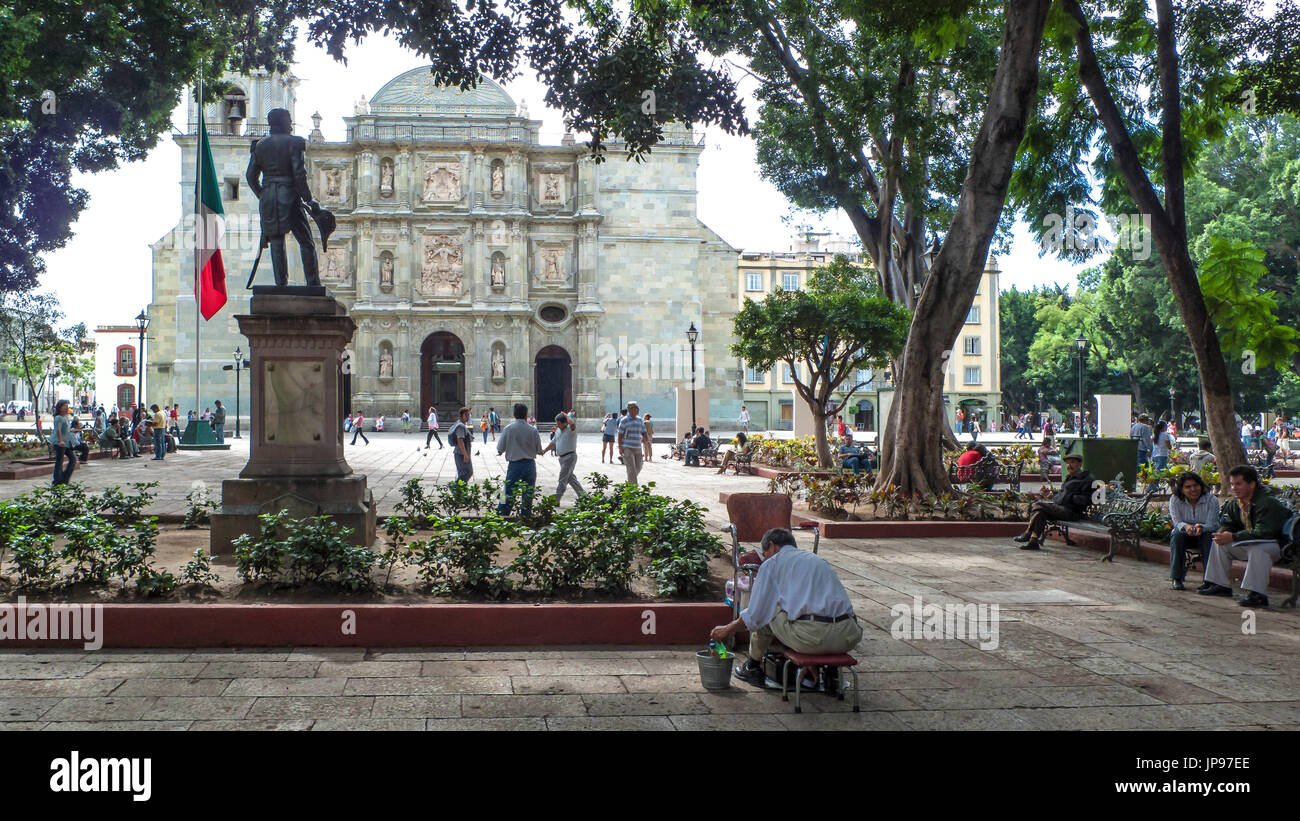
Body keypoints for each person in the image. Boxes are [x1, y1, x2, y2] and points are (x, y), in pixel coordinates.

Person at [710, 527, 863, 690]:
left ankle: (752, 666)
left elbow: (755, 616)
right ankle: (831, 673)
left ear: (772, 546)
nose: (765, 557)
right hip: (848, 636)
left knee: (769, 612)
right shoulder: (818, 561)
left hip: (812, 639)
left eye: (765, 553)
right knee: (808, 613)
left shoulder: (771, 565)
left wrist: (727, 629)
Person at [1198, 465, 1292, 607]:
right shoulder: (1235, 503)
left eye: (1238, 484)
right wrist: (1223, 532)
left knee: (1258, 550)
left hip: (1277, 544)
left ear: (1252, 484)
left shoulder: (1267, 503)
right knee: (1220, 543)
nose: (1234, 488)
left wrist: (1234, 537)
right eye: (1232, 484)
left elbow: (1265, 532)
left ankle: (1258, 595)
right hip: (1251, 541)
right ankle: (1219, 584)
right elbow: (1228, 522)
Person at [1012, 453, 1094, 551]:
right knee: (1040, 512)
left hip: (1072, 512)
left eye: (1072, 463)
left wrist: (1069, 497)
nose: (1069, 466)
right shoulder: (1069, 478)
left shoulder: (1086, 479)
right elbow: (1061, 495)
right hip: (1061, 509)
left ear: (1080, 464)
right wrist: (1052, 495)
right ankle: (1033, 541)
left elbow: (1087, 499)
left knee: (1039, 505)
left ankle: (1028, 533)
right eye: (1067, 463)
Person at [1168, 472, 1219, 591]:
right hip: (1185, 533)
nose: (1193, 489)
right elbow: (1177, 522)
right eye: (1188, 487)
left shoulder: (1211, 500)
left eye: (1196, 485)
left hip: (1204, 533)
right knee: (1176, 535)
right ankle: (1177, 578)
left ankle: (1209, 580)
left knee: (1209, 538)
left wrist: (1200, 527)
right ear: (1181, 489)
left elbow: (1212, 524)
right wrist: (1186, 527)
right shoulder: (1175, 499)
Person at [497, 403, 543, 517]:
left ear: (514, 414)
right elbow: (539, 450)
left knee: (507, 491)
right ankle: (526, 516)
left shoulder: (508, 429)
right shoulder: (533, 430)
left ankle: (501, 514)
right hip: (529, 465)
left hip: (514, 465)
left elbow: (500, 448)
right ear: (526, 414)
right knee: (528, 493)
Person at [541, 412, 586, 502]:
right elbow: (553, 443)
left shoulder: (571, 429)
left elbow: (572, 424)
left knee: (562, 479)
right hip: (562, 458)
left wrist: (566, 415)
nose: (558, 425)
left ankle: (556, 499)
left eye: (559, 423)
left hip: (569, 457)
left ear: (565, 422)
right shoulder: (558, 431)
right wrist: (544, 451)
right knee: (570, 478)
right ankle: (583, 496)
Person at [617, 400, 647, 484]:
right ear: (630, 409)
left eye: (637, 407)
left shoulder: (640, 420)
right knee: (631, 468)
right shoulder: (624, 420)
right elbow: (620, 434)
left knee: (639, 466)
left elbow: (644, 431)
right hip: (627, 447)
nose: (638, 409)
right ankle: (633, 489)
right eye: (635, 407)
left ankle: (630, 481)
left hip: (638, 447)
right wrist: (620, 446)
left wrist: (646, 439)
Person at [51, 399, 77, 486]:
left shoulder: (66, 418)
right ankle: (57, 481)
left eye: (67, 406)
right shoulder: (58, 418)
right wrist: (60, 440)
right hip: (60, 443)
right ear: (59, 407)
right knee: (59, 461)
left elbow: (67, 430)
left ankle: (64, 478)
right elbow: (58, 430)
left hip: (66, 442)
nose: (66, 408)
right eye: (64, 406)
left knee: (73, 459)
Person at [448, 407, 474, 481]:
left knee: (465, 472)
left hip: (461, 453)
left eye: (469, 415)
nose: (468, 417)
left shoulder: (459, 424)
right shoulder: (460, 426)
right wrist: (465, 455)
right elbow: (460, 440)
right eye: (466, 415)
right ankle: (455, 487)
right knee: (466, 473)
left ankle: (461, 490)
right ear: (461, 415)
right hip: (461, 453)